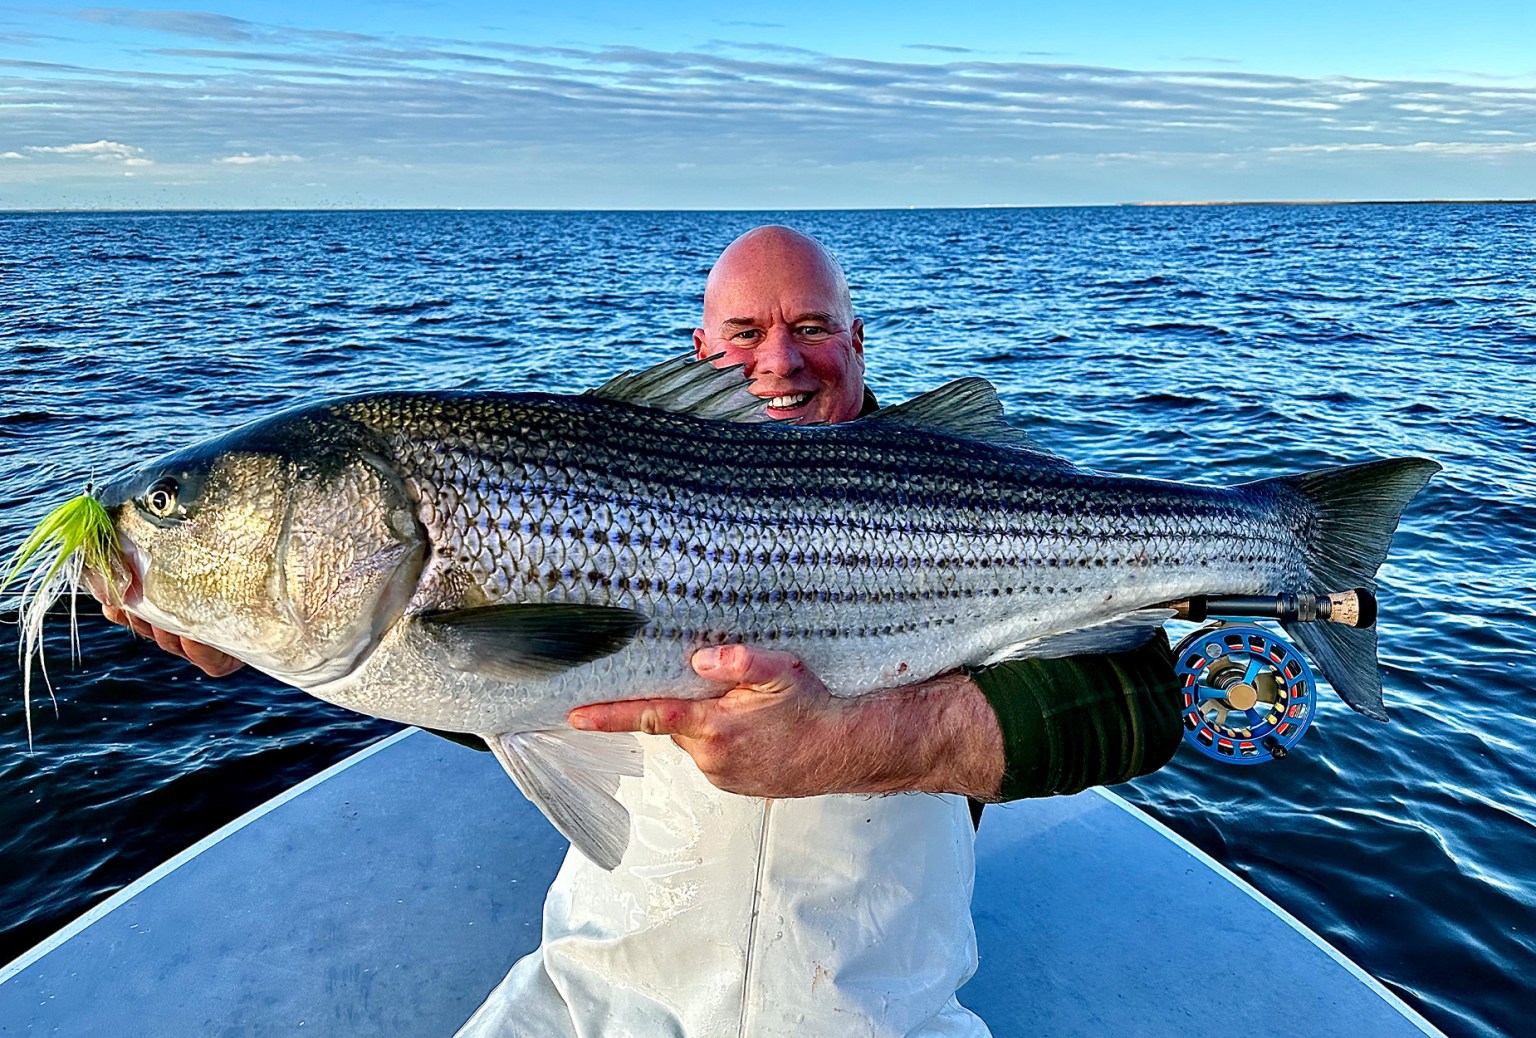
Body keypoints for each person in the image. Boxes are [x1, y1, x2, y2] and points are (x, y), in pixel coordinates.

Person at [105, 226, 1183, 1036]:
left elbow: (1142, 702)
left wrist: (876, 738)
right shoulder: (586, 464)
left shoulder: (965, 503)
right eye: (747, 332)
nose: (781, 361)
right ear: (698, 349)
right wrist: (262, 629)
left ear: (858, 344)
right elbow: (482, 682)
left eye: (812, 328)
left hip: (876, 1017)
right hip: (596, 998)